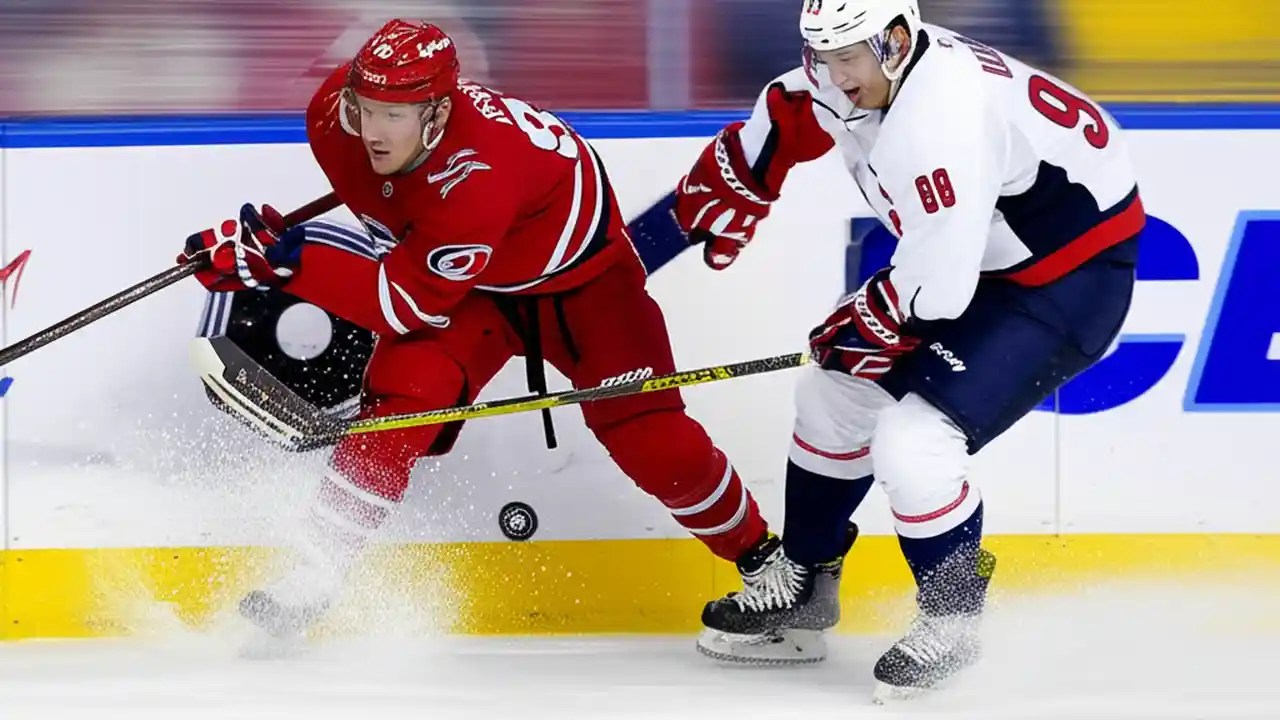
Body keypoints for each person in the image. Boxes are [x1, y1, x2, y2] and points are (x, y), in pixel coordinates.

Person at [177, 18, 773, 642]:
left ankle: (766, 564)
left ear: (436, 114)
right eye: (367, 107)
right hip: (476, 292)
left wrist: (285, 261)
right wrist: (272, 246)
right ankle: (315, 569)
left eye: (395, 115)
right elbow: (395, 216)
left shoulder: (480, 176)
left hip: (585, 284)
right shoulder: (333, 115)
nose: (373, 130)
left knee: (651, 437)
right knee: (399, 405)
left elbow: (402, 304)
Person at [672, 0, 1143, 701]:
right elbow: (791, 102)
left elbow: (938, 293)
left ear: (896, 41)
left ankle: (953, 622)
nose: (833, 74)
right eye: (821, 56)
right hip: (979, 255)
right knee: (831, 389)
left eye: (848, 57)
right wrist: (746, 166)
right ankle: (804, 585)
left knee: (914, 440)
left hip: (1065, 280)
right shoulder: (860, 70)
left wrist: (873, 314)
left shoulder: (940, 120)